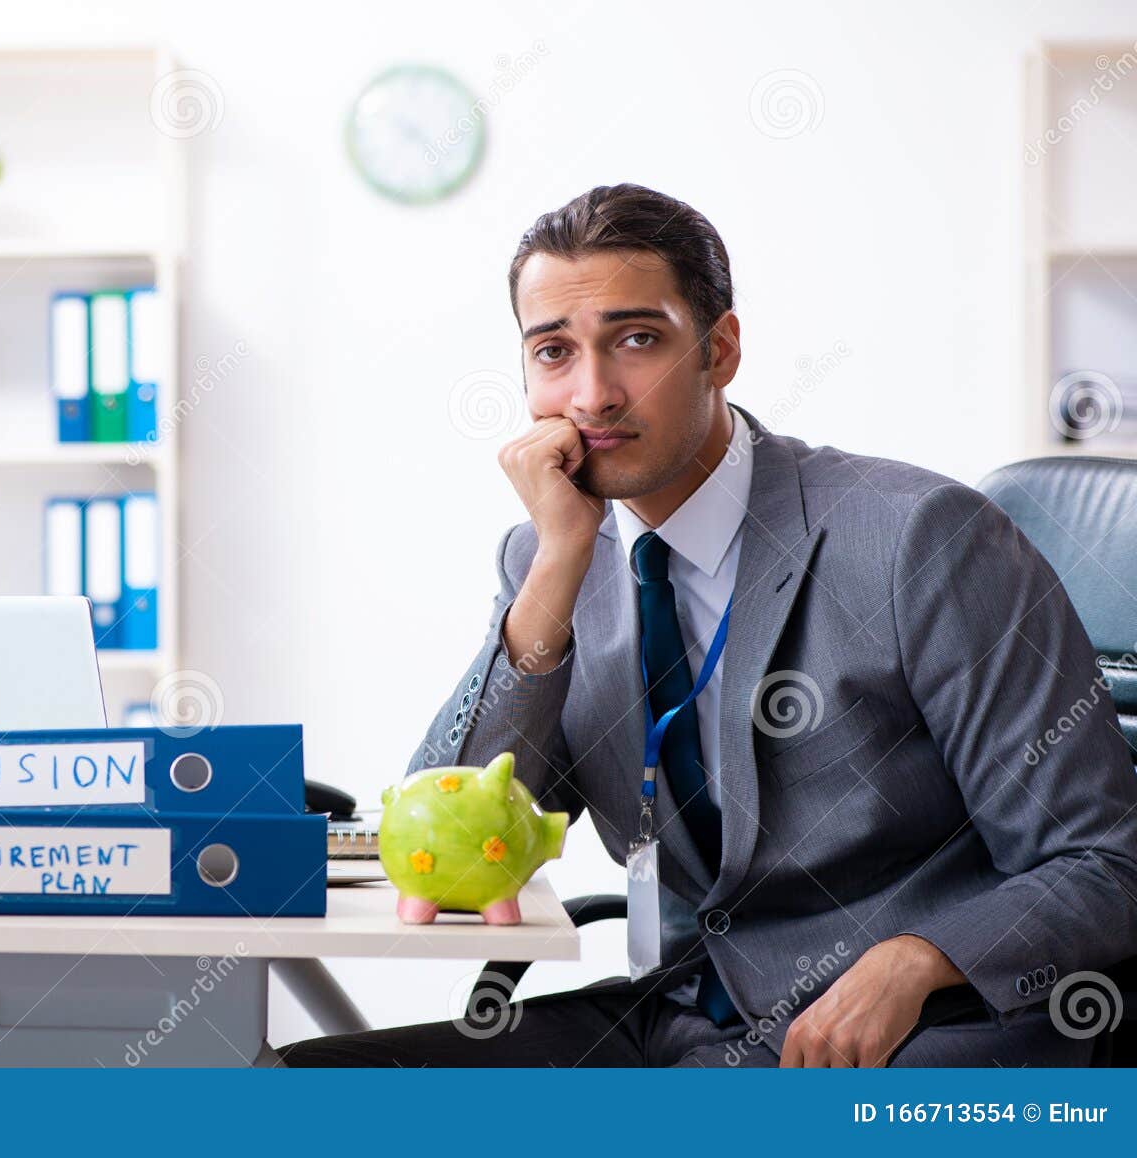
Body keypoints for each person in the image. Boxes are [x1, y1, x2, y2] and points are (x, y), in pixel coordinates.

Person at [280, 184, 1137, 1067]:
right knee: (298, 1095)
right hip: (692, 1016)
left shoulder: (919, 540)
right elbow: (440, 850)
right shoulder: (549, 559)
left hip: (923, 1034)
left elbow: (1106, 864)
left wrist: (918, 961)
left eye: (637, 340)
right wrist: (554, 577)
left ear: (719, 349)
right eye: (554, 352)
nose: (593, 394)